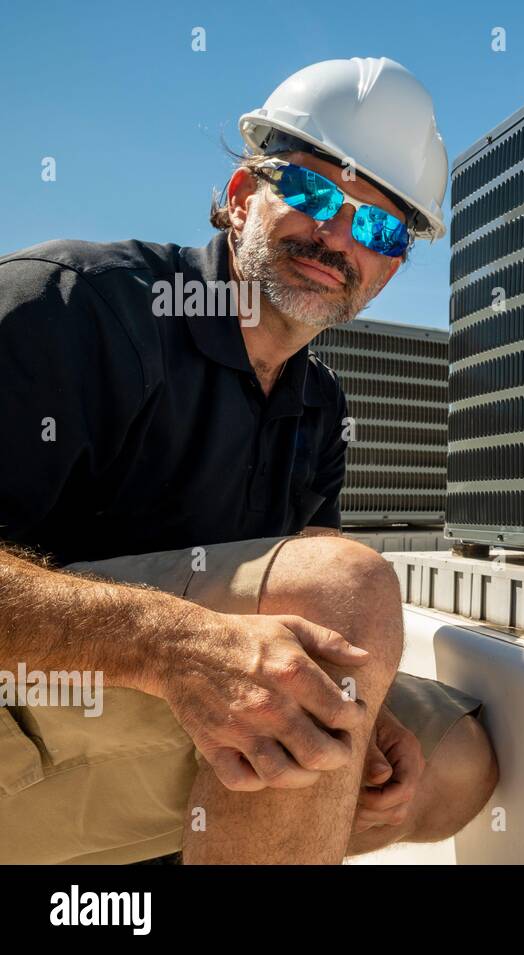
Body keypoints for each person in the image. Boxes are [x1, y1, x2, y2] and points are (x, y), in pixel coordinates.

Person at [0, 57, 497, 864]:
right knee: (342, 586)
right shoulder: (70, 309)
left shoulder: (320, 410)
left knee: (457, 762)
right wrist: (167, 645)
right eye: (311, 193)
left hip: (137, 725)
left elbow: (315, 636)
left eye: (377, 228)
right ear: (240, 198)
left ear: (391, 266)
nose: (338, 236)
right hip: (27, 709)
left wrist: (371, 725)